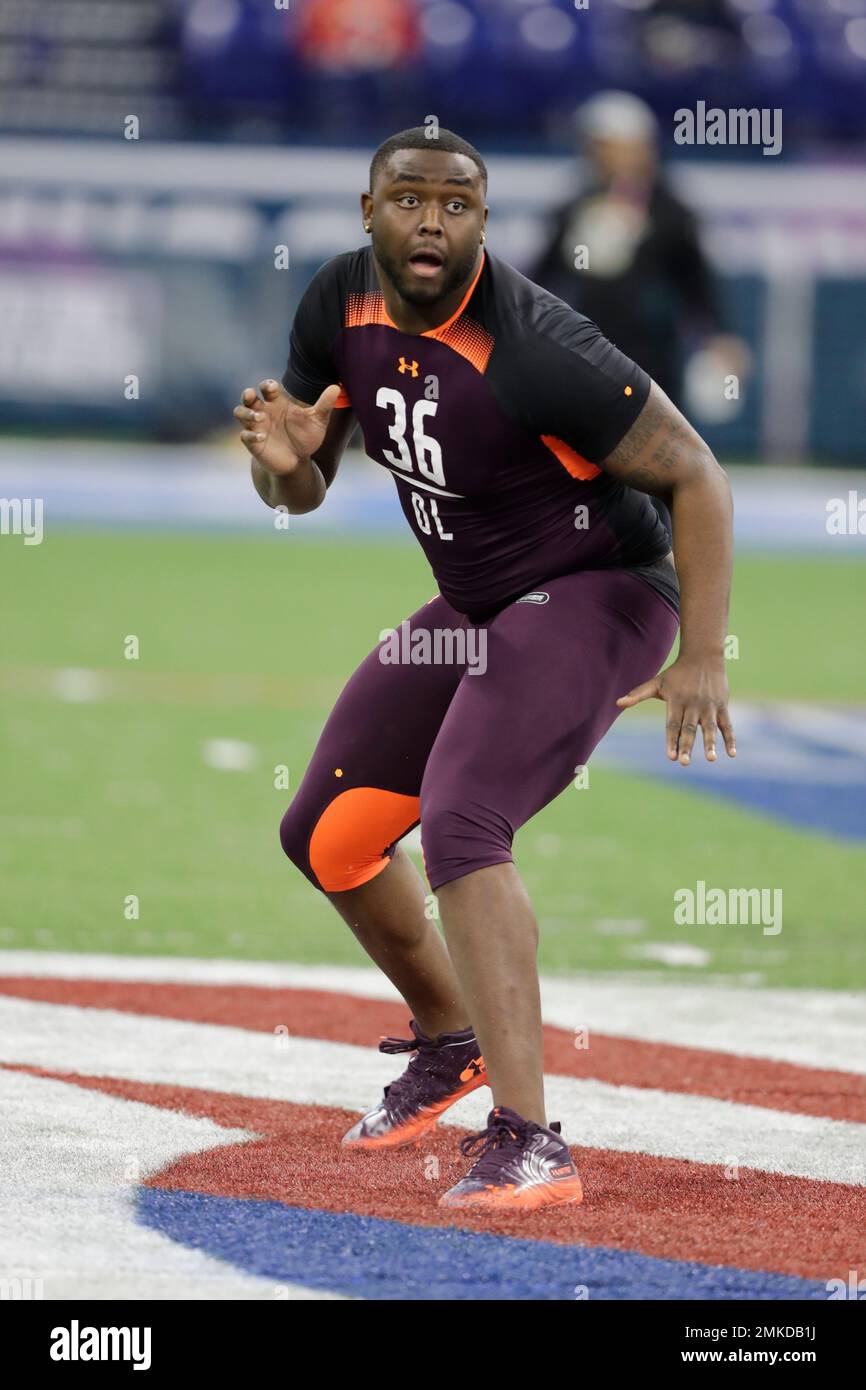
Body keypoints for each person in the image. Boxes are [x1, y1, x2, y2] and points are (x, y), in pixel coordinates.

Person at [233, 126, 735, 1212]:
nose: (429, 220)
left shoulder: (537, 343)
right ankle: (449, 1034)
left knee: (464, 819)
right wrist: (284, 474)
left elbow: (695, 473)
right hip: (478, 603)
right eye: (406, 199)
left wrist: (702, 652)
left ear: (484, 221)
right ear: (366, 209)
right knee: (324, 833)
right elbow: (305, 481)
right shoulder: (336, 302)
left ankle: (531, 1138)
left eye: (453, 204)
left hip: (603, 591)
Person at [530, 90, 746, 411]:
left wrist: (719, 333)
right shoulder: (575, 206)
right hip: (584, 348)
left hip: (651, 351)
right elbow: (544, 276)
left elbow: (695, 279)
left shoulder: (669, 211)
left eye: (606, 145)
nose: (597, 154)